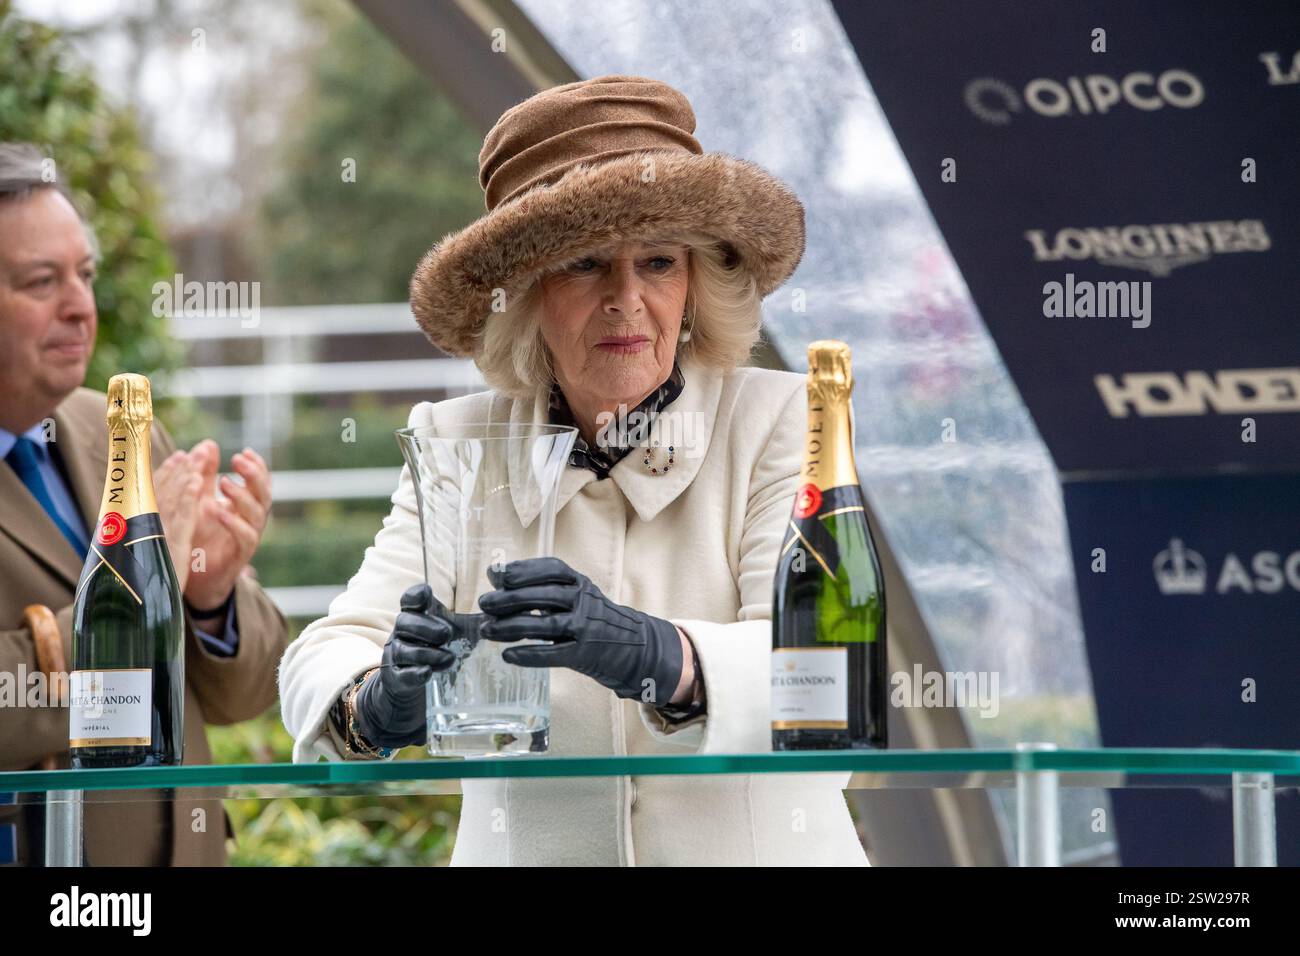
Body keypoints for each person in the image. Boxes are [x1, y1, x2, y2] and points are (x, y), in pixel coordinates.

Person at [279, 75, 869, 866]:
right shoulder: (456, 441)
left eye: (658, 262)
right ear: (523, 297)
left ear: (694, 286)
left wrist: (661, 655)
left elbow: (828, 682)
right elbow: (325, 652)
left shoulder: (784, 418)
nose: (627, 299)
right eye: (586, 264)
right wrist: (376, 704)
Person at [0, 142, 289, 865]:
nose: (80, 306)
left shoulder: (120, 427)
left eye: (85, 275)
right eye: (42, 282)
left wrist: (210, 594)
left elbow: (245, 694)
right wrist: (122, 607)